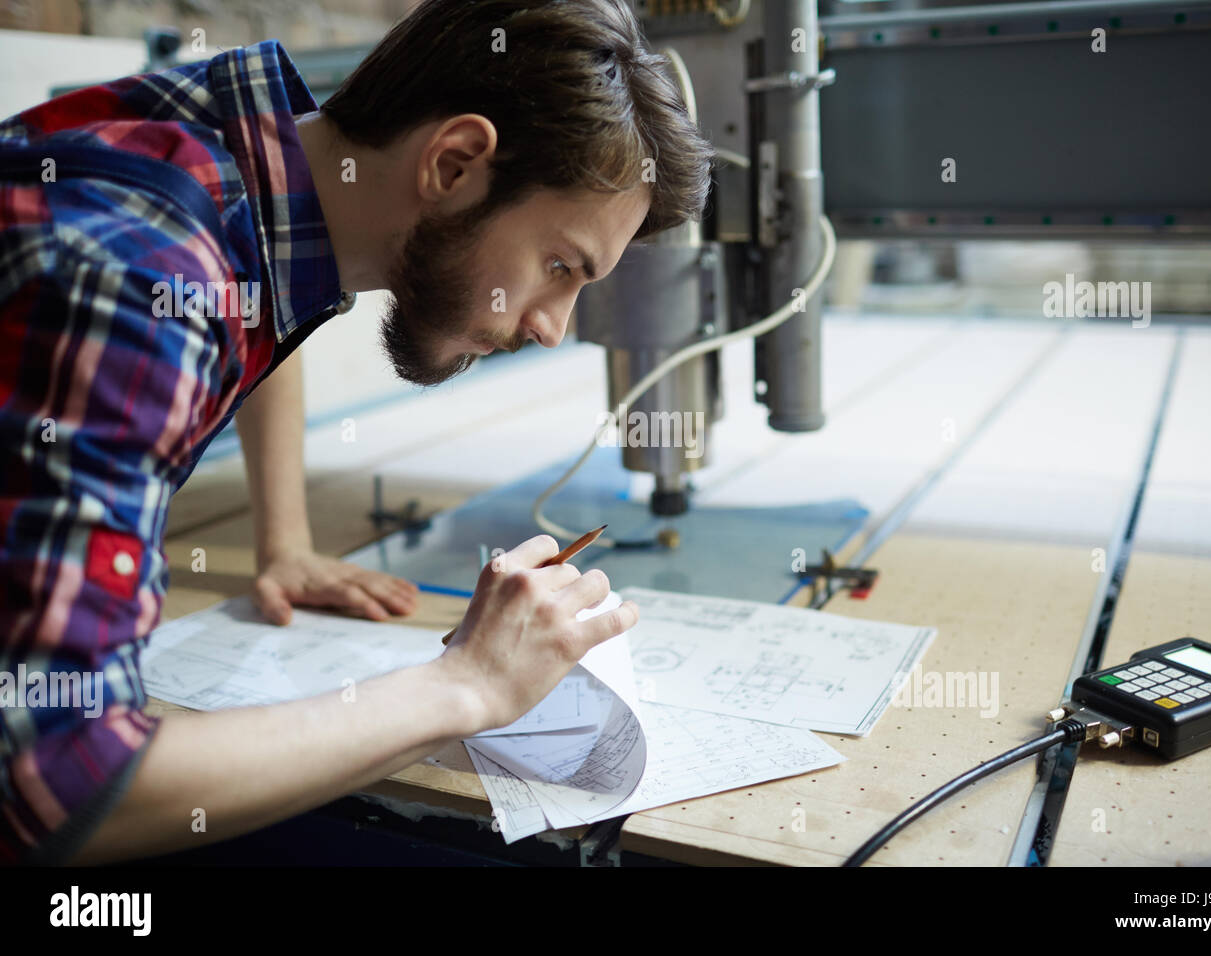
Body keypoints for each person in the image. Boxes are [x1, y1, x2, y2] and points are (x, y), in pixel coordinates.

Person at [0, 0, 714, 863]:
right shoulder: (133, 282)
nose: (554, 325)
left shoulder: (230, 165)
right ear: (454, 163)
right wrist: (466, 688)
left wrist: (284, 542)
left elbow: (255, 289)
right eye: (559, 266)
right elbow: (61, 783)